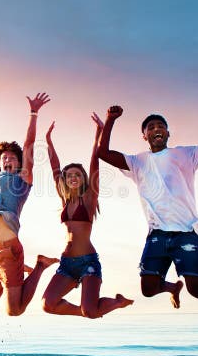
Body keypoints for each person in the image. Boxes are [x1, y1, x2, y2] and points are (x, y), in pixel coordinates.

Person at [97, 86, 198, 321]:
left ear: (168, 133)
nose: (156, 129)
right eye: (150, 127)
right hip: (157, 233)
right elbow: (103, 152)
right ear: (145, 136)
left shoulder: (186, 154)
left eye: (160, 126)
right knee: (148, 289)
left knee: (196, 289)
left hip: (186, 232)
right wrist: (110, 120)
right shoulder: (137, 162)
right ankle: (172, 288)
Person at [41, 114, 134, 318]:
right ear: (65, 180)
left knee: (91, 311)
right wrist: (48, 141)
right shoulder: (65, 200)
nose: (73, 177)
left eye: (77, 174)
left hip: (88, 262)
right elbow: (55, 167)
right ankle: (85, 311)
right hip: (67, 264)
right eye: (69, 175)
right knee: (48, 304)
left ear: (83, 178)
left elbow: (94, 162)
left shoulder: (90, 198)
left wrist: (98, 133)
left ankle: (116, 303)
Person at [0, 92, 59, 316]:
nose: (7, 159)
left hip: (9, 249)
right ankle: (10, 276)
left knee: (14, 311)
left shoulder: (23, 180)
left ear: (19, 163)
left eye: (12, 157)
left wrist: (34, 113)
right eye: (4, 157)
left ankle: (40, 266)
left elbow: (28, 144)